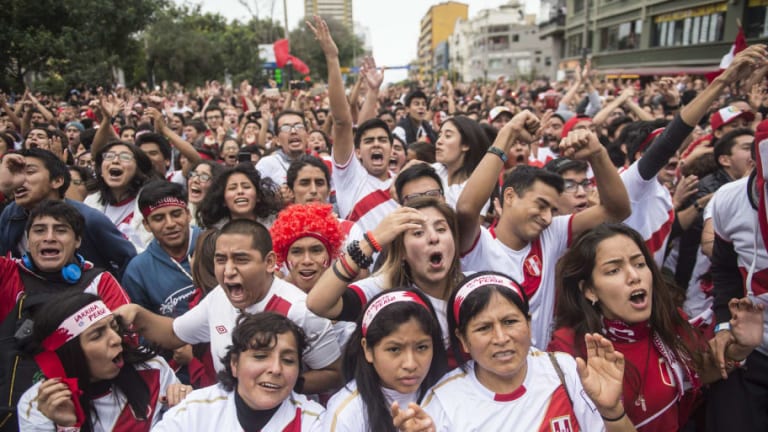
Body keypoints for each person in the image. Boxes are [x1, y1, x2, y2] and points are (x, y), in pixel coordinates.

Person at [549, 223, 764, 431]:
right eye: (614, 270)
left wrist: (741, 348)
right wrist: (612, 412)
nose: (634, 276)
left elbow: (698, 372)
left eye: (640, 264)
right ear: (589, 290)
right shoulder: (568, 351)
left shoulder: (667, 320)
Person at [456, 112, 631, 348]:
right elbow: (467, 209)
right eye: (540, 205)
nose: (548, 217)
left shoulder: (551, 234)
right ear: (509, 196)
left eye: (552, 208)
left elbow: (617, 210)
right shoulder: (479, 245)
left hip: (539, 373)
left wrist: (597, 153)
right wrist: (508, 133)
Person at [114, 219, 343, 394]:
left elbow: (334, 374)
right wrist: (138, 314)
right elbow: (174, 333)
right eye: (221, 260)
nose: (229, 270)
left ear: (270, 262)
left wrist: (277, 385)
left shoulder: (300, 311)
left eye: (241, 259)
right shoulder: (219, 297)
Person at [422, 271, 637, 431]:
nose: (501, 338)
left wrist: (611, 412)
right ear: (463, 340)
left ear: (529, 323)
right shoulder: (443, 404)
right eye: (484, 328)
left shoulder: (564, 369)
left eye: (510, 322)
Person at [308, 197, 462, 355]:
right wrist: (371, 242)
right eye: (418, 233)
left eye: (441, 229)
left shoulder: (474, 288)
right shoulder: (383, 290)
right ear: (402, 252)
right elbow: (318, 304)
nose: (433, 238)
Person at [17, 293, 179, 431]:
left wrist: (186, 404)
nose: (116, 339)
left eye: (114, 326)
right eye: (97, 335)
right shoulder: (40, 405)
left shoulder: (152, 367)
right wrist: (68, 426)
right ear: (69, 354)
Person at [152, 312, 325, 431]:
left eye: (288, 360)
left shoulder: (314, 422)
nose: (276, 369)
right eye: (260, 356)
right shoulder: (193, 412)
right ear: (234, 364)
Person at [310, 17, 398, 233]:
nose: (376, 145)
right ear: (357, 152)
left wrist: (373, 92)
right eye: (369, 141)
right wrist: (332, 58)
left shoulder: (402, 182)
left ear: (392, 147)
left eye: (382, 140)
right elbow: (342, 121)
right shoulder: (350, 176)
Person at [324, 288, 448, 431]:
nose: (410, 364)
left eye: (421, 347)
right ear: (368, 350)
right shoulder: (346, 414)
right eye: (394, 349)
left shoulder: (451, 395)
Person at [0, 149, 136, 276]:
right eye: (15, 172)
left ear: (57, 181)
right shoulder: (10, 215)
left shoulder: (89, 219)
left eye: (30, 172)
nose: (20, 180)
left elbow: (129, 261)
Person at [122, 180, 200, 318]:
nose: (170, 224)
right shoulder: (138, 271)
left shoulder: (215, 244)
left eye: (176, 214)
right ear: (146, 224)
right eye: (159, 218)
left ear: (188, 214)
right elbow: (142, 329)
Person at [85, 141, 156, 250]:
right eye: (109, 156)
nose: (115, 161)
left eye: (125, 157)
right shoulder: (90, 202)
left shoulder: (152, 204)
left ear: (139, 169)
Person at [269, 203, 344, 293]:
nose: (307, 261)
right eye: (297, 252)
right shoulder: (272, 302)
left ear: (331, 254)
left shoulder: (349, 297)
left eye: (316, 250)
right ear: (284, 257)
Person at [196, 162, 282, 229]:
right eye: (232, 188)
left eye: (246, 187)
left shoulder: (276, 225)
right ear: (223, 201)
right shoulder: (214, 233)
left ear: (258, 196)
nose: (240, 191)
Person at [432, 115, 490, 212]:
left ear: (465, 145)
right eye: (439, 135)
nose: (439, 141)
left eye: (448, 136)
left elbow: (470, 226)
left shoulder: (476, 189)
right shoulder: (433, 171)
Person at [186, 160, 223, 227]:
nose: (195, 180)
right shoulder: (184, 210)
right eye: (193, 174)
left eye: (204, 177)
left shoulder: (220, 224)